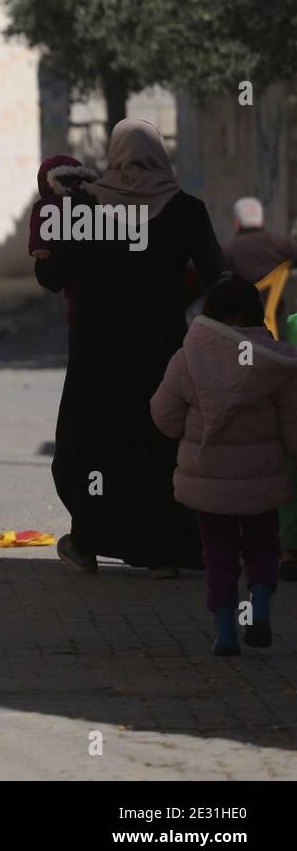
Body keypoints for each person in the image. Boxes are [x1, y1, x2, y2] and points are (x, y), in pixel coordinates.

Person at [34, 118, 223, 577]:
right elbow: (216, 277)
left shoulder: (86, 208)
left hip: (96, 350)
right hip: (159, 348)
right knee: (154, 443)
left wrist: (49, 226)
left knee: (91, 441)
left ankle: (87, 542)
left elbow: (52, 277)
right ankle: (159, 551)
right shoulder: (186, 210)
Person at [151, 276, 297, 654]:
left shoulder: (188, 357)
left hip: (209, 481)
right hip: (261, 482)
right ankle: (260, 607)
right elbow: (293, 425)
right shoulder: (275, 362)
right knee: (263, 547)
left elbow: (163, 416)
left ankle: (225, 631)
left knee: (218, 554)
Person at [27, 154, 98, 328]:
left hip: (83, 309)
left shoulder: (53, 210)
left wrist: (42, 253)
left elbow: (50, 278)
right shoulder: (102, 204)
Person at [222, 197, 297, 286]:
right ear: (262, 220)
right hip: (276, 298)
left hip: (245, 299)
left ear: (237, 223)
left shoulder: (229, 249)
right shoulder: (282, 243)